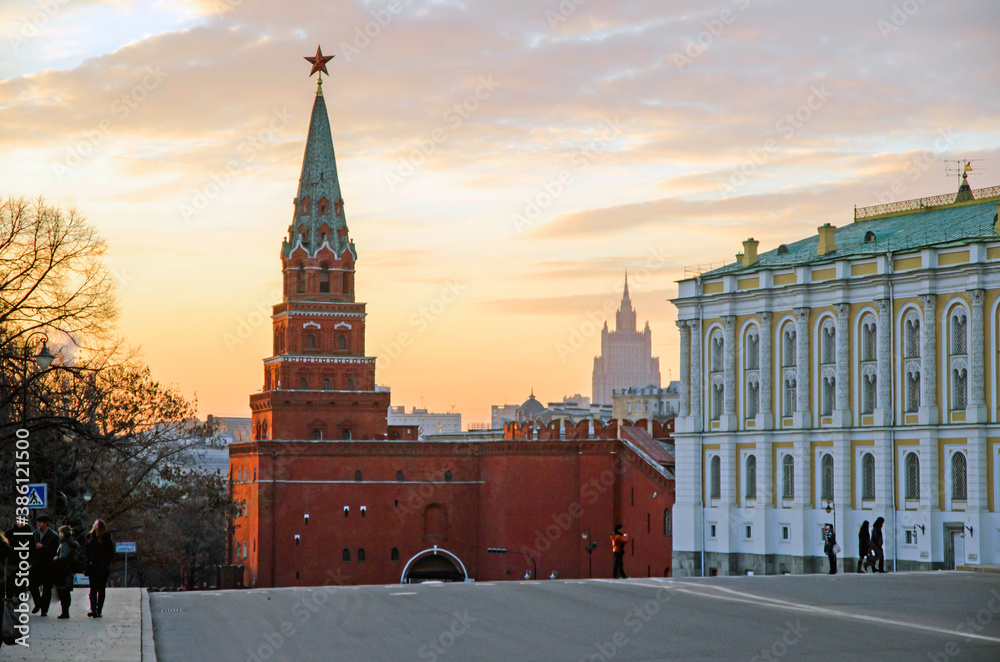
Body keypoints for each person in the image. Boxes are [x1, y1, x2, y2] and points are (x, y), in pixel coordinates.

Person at [30, 515, 59, 616]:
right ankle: (38, 604)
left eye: (41, 522)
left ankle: (44, 609)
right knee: (32, 585)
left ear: (46, 523)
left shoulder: (53, 536)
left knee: (47, 588)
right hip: (36, 564)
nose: (39, 524)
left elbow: (53, 551)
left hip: (47, 565)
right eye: (38, 522)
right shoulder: (34, 534)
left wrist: (43, 547)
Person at [84, 520, 113, 618]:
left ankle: (99, 609)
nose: (94, 525)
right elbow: (87, 552)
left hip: (102, 567)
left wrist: (105, 562)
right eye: (94, 524)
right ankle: (93, 609)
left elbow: (111, 553)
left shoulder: (106, 538)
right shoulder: (90, 537)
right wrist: (88, 561)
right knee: (93, 588)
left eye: (97, 524)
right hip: (92, 566)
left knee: (101, 589)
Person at [53, 525, 79, 619]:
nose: (59, 534)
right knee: (65, 591)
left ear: (64, 533)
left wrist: (56, 559)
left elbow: (63, 557)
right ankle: (65, 610)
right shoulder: (69, 543)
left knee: (63, 591)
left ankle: (65, 611)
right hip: (67, 570)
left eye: (60, 532)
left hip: (63, 569)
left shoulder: (65, 544)